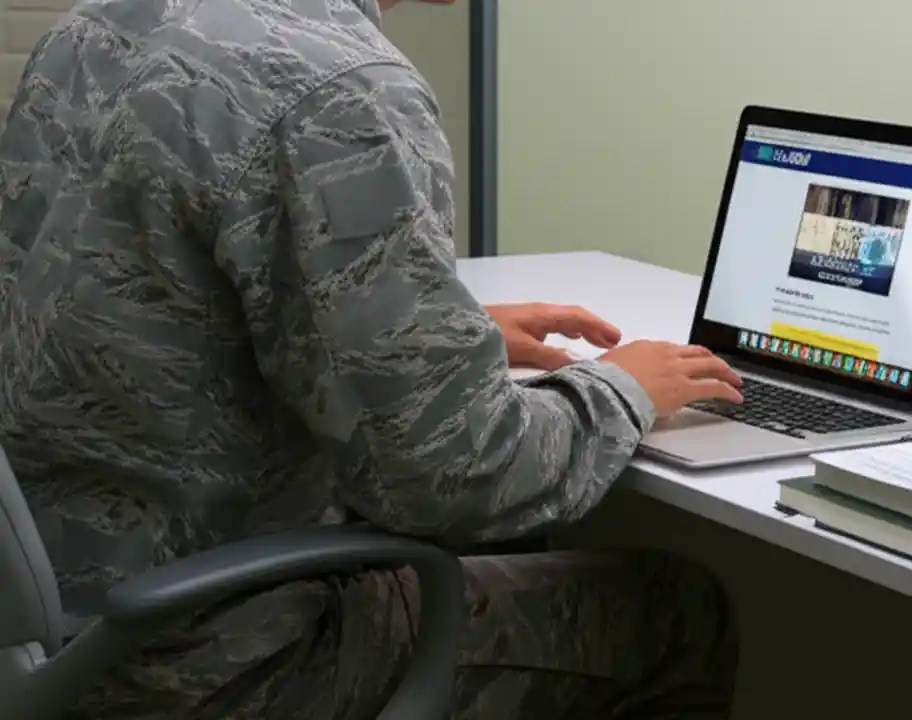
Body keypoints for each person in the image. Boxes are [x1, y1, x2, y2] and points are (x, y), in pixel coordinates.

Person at [0, 0, 745, 716]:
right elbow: (457, 475)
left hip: (56, 639)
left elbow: (146, 300)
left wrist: (430, 329)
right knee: (678, 617)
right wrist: (622, 388)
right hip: (206, 666)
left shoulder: (102, 23)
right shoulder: (342, 91)